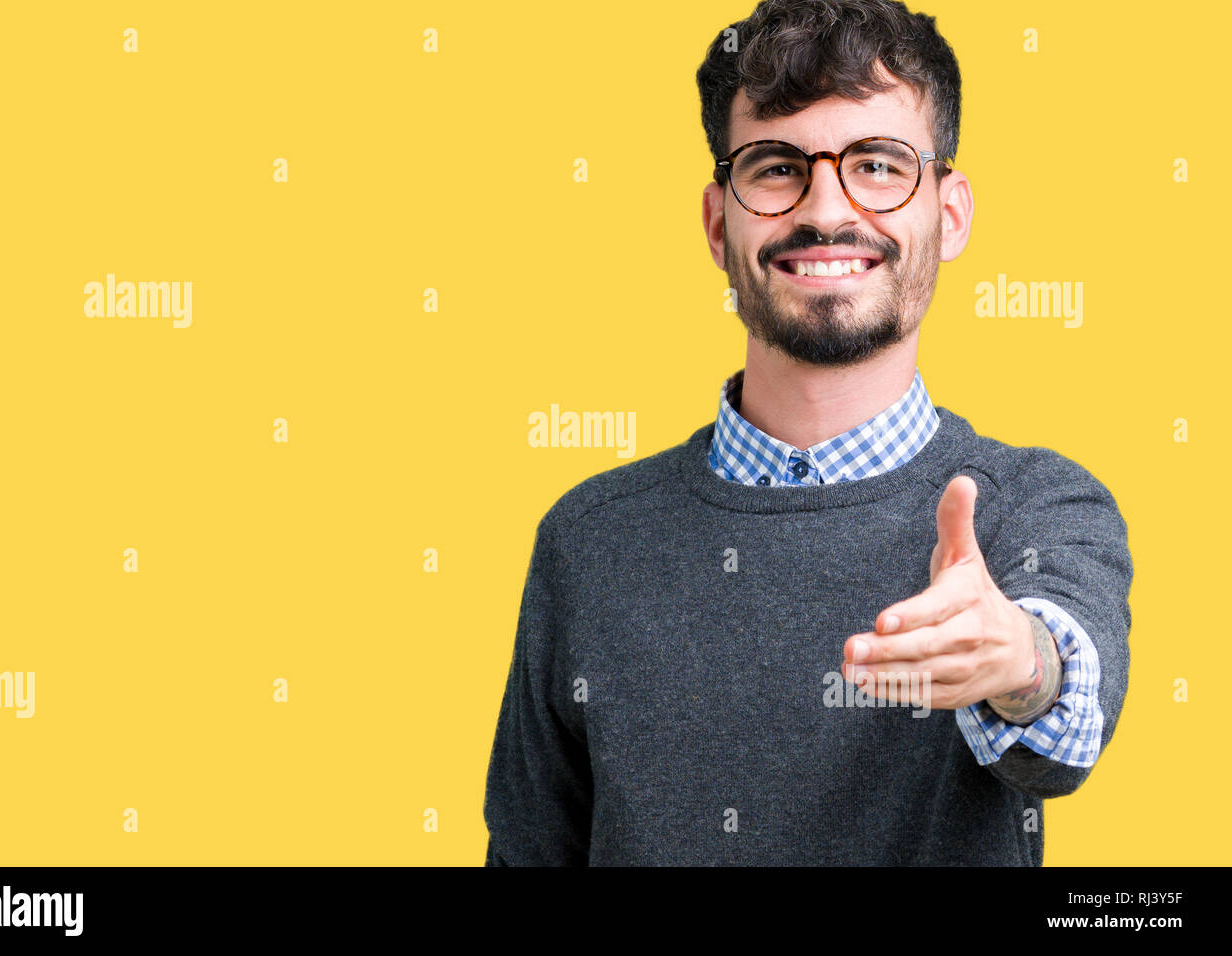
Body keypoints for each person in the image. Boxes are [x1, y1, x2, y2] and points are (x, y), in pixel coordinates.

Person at [483, 0, 1133, 865]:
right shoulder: (586, 538)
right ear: (720, 224)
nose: (826, 209)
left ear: (951, 214)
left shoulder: (1032, 507)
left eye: (877, 163)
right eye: (778, 167)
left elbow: (1065, 711)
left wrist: (1016, 661)